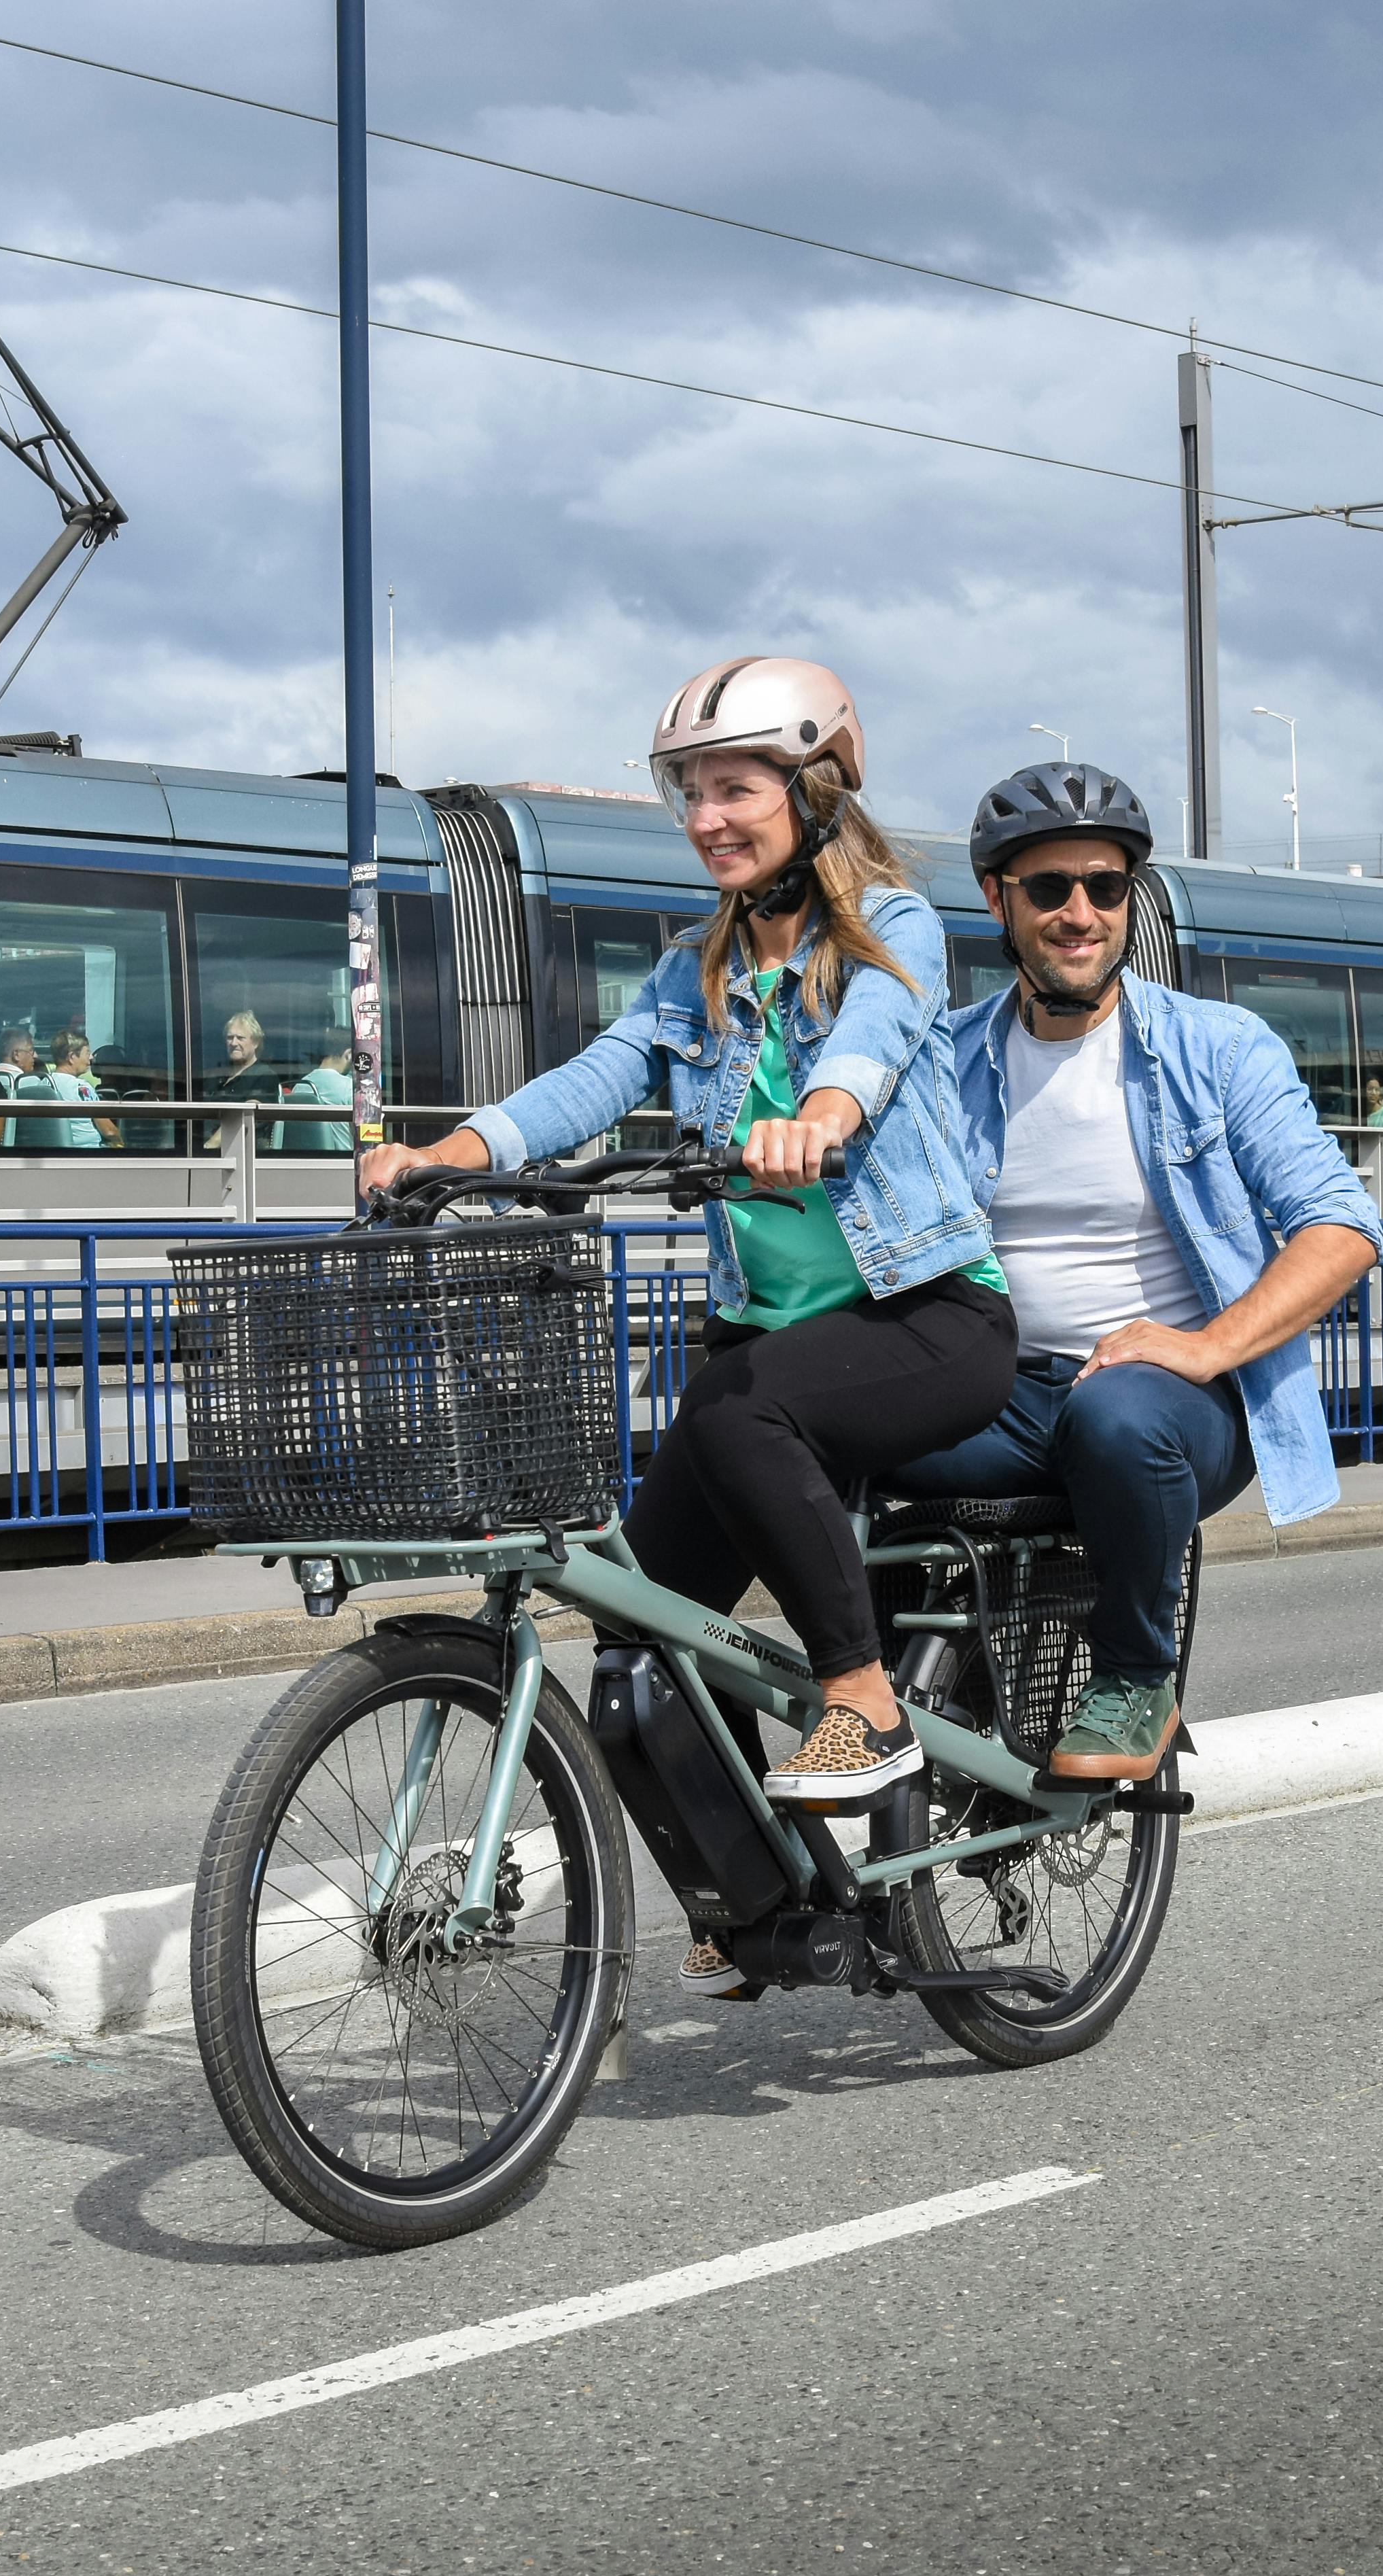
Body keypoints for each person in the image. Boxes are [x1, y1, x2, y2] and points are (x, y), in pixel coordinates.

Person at [360, 655, 1013, 1998]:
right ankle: (768, 1907)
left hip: (930, 1318)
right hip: (770, 1345)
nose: (709, 816)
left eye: (738, 787)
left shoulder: (891, 928)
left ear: (815, 788)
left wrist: (820, 1121)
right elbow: (598, 1078)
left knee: (741, 1407)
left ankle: (866, 1700)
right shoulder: (696, 972)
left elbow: (871, 1047)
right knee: (643, 1634)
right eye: (692, 793)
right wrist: (456, 1150)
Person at [889, 759, 1382, 1783]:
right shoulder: (947, 1057)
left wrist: (1204, 1347)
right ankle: (878, 1690)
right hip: (1007, 1392)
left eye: (1105, 888)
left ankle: (1134, 1679)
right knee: (808, 1443)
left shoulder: (1218, 1049)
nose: (1081, 913)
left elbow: (1340, 1227)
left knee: (1117, 1418)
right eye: (1050, 889)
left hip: (1175, 1406)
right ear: (998, 900)